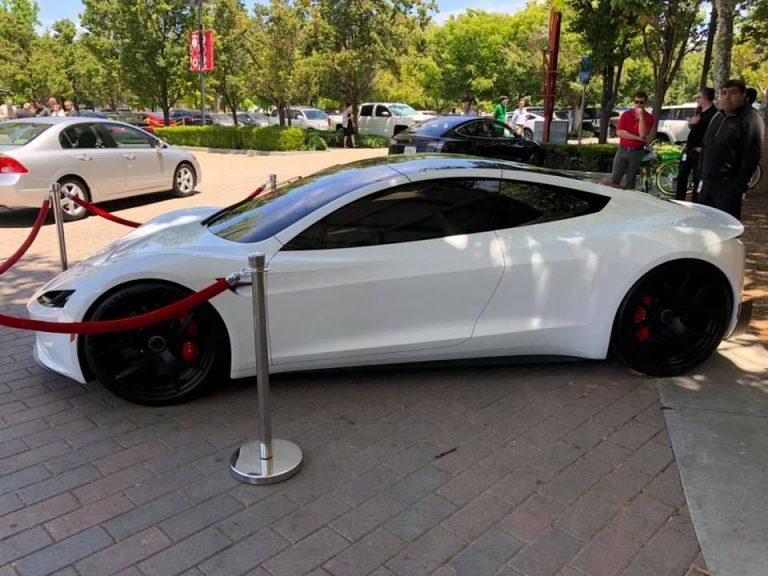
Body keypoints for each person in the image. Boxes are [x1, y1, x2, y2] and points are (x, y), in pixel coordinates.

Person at [698, 79, 765, 220]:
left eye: (733, 93)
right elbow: (706, 146)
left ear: (743, 95)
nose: (727, 97)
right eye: (724, 93)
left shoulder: (750, 119)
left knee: (725, 231)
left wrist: (738, 187)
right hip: (707, 184)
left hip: (727, 187)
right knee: (704, 228)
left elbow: (752, 155)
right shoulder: (718, 116)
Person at [675, 87, 717, 202]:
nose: (698, 99)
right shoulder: (698, 110)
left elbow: (713, 135)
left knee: (697, 179)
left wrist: (703, 148)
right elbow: (692, 126)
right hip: (689, 149)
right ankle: (679, 200)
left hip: (699, 152)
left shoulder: (714, 114)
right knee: (682, 176)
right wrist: (690, 123)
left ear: (705, 98)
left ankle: (695, 203)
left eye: (699, 97)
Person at [610, 91, 654, 189]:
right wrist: (637, 138)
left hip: (637, 152)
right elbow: (620, 132)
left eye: (641, 102)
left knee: (630, 181)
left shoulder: (649, 117)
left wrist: (641, 117)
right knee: (615, 179)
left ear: (645, 103)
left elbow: (643, 133)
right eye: (636, 102)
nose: (638, 105)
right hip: (623, 150)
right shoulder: (626, 114)